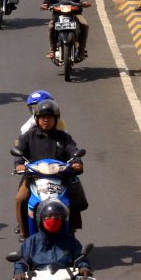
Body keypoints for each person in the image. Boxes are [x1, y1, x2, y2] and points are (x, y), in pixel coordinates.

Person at [13, 100, 88, 236]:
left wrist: (76, 162)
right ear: (37, 119)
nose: (46, 121)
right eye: (42, 117)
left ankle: (72, 227)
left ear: (56, 119)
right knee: (21, 198)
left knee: (75, 195)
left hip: (60, 177)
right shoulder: (28, 136)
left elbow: (73, 151)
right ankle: (24, 232)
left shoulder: (64, 137)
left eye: (49, 117)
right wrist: (19, 165)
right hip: (33, 178)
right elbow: (19, 152)